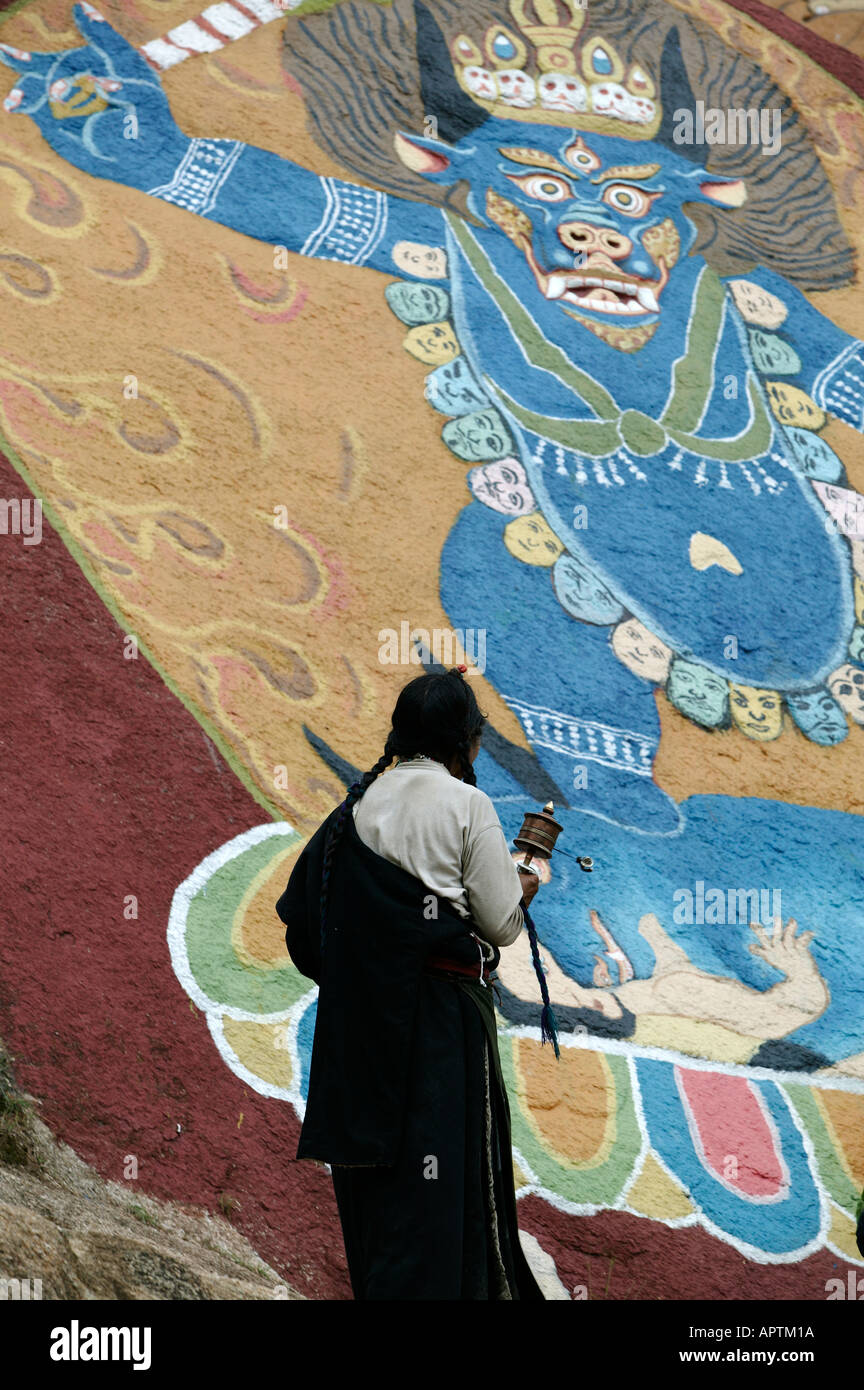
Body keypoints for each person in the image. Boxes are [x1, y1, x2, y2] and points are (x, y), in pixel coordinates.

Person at [275, 667, 546, 1300]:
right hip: (440, 1029)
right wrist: (524, 884)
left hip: (364, 1027)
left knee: (387, 1186)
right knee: (446, 1183)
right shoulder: (467, 804)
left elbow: (306, 923)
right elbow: (501, 925)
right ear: (467, 742)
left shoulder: (360, 804)